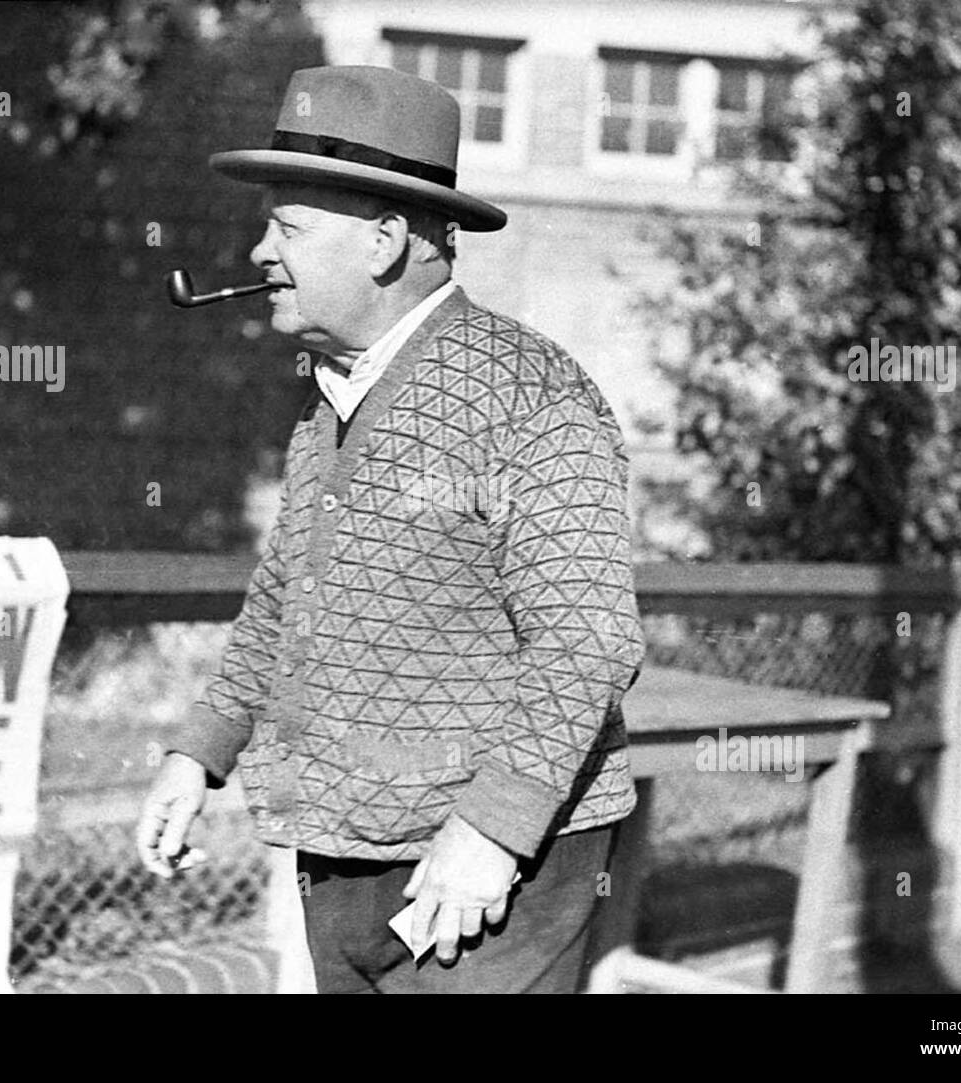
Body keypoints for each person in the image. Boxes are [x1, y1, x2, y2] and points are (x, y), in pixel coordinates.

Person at [136, 65, 646, 994]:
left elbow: (587, 639)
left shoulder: (532, 395)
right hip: (343, 854)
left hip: (492, 877)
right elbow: (285, 599)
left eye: (286, 228)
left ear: (383, 242)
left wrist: (491, 831)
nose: (258, 253)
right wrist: (198, 750)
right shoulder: (327, 406)